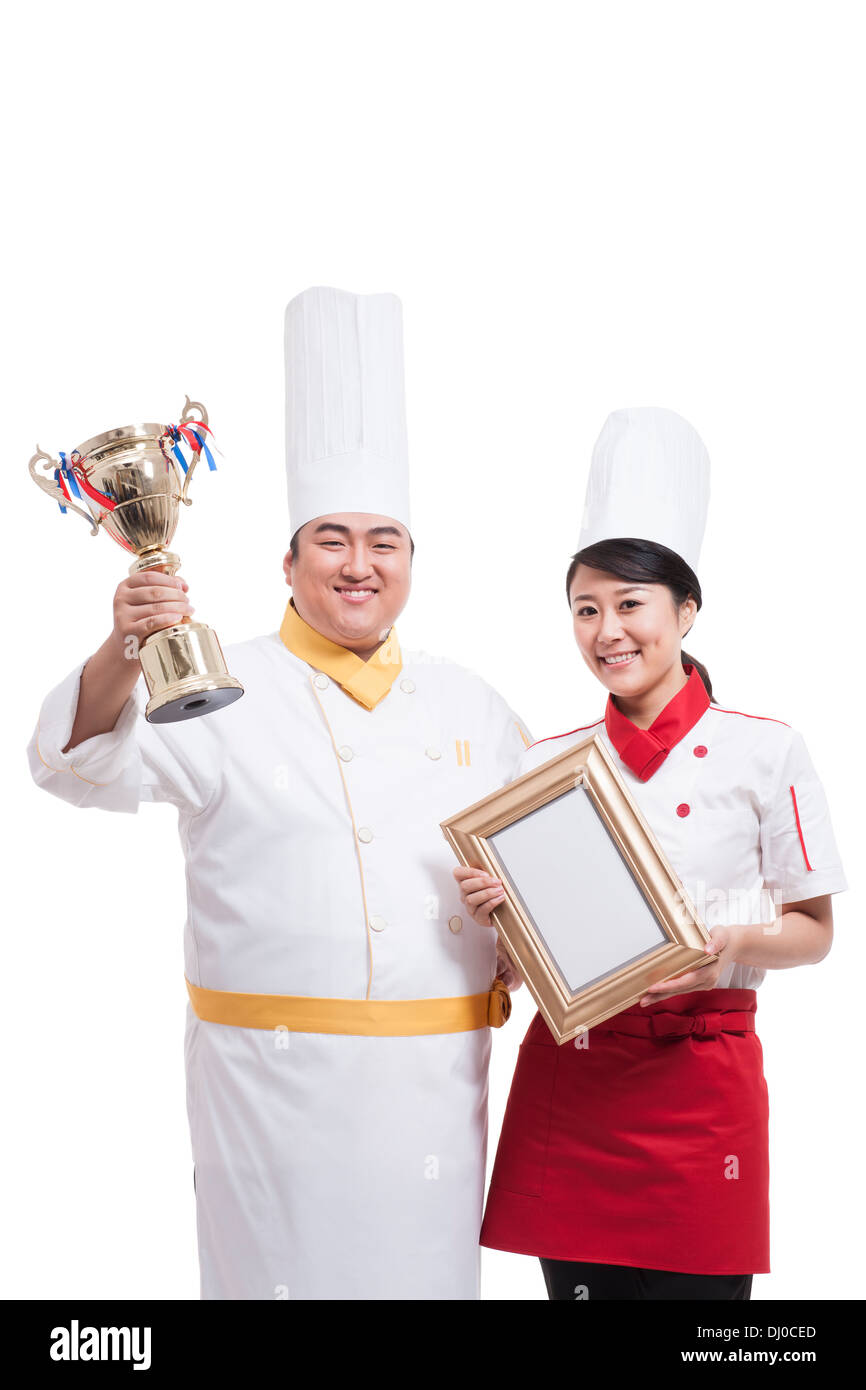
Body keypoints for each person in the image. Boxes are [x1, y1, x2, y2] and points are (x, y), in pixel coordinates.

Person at [27, 286, 531, 1300]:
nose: (358, 564)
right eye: (331, 540)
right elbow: (73, 766)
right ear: (288, 561)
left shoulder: (476, 703)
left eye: (381, 541)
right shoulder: (214, 682)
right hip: (266, 1087)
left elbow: (541, 893)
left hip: (433, 1094)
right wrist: (126, 645)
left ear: (409, 562)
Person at [454, 406, 847, 1301]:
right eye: (585, 610)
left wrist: (730, 944)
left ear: (687, 610)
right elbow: (524, 964)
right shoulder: (546, 765)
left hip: (701, 1083)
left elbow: (816, 931)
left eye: (630, 605)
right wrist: (498, 919)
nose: (607, 632)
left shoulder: (765, 748)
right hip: (577, 1078)